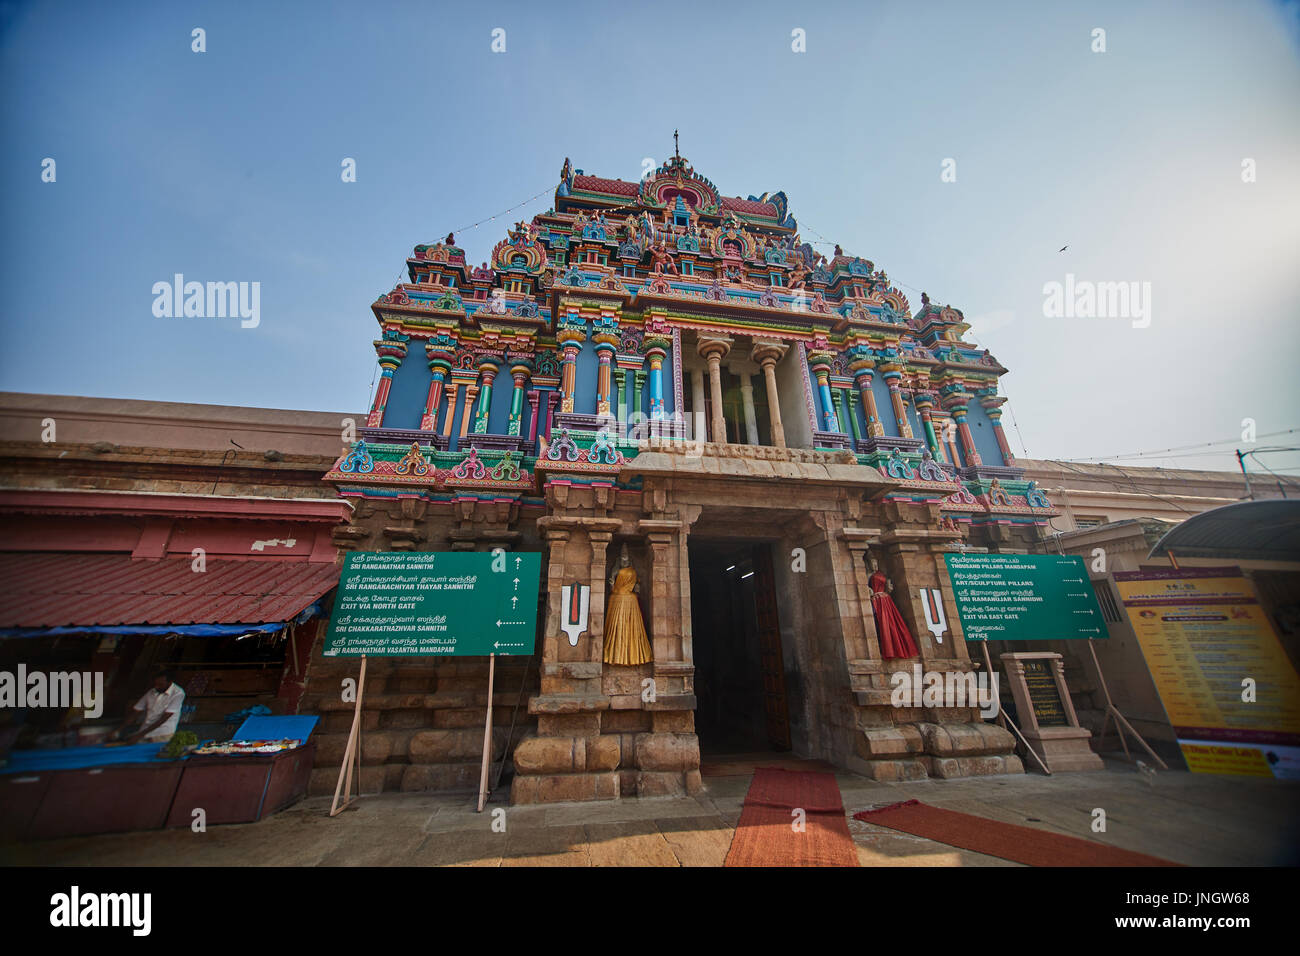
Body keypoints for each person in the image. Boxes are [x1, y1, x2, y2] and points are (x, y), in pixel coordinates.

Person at [603, 545, 653, 666]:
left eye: (625, 558)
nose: (624, 561)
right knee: (618, 628)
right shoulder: (617, 569)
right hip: (619, 599)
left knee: (630, 629)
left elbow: (636, 587)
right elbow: (612, 586)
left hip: (626, 600)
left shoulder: (632, 571)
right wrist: (612, 582)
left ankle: (630, 655)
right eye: (622, 558)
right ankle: (617, 655)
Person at [866, 553, 920, 659]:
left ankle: (897, 648)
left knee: (891, 623)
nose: (875, 565)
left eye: (876, 563)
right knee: (882, 624)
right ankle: (886, 649)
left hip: (885, 600)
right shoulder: (868, 575)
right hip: (877, 601)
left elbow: (888, 587)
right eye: (873, 563)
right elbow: (865, 586)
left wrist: (889, 587)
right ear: (869, 564)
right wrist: (870, 590)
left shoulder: (881, 574)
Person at [115, 670, 186, 744]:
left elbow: (164, 719)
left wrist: (139, 735)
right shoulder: (151, 692)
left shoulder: (178, 693)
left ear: (170, 683)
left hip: (162, 734)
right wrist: (118, 730)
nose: (156, 687)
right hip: (144, 732)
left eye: (160, 684)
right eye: (155, 684)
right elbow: (136, 712)